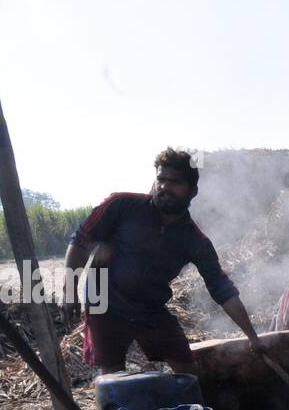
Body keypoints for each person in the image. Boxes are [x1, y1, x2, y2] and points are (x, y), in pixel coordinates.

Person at [62, 148, 261, 374]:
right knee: (113, 376)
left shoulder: (195, 241)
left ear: (193, 191)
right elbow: (81, 240)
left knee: (187, 371)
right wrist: (69, 292)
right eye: (161, 179)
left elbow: (222, 289)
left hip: (150, 309)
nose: (165, 187)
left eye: (175, 182)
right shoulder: (122, 206)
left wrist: (252, 337)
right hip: (106, 304)